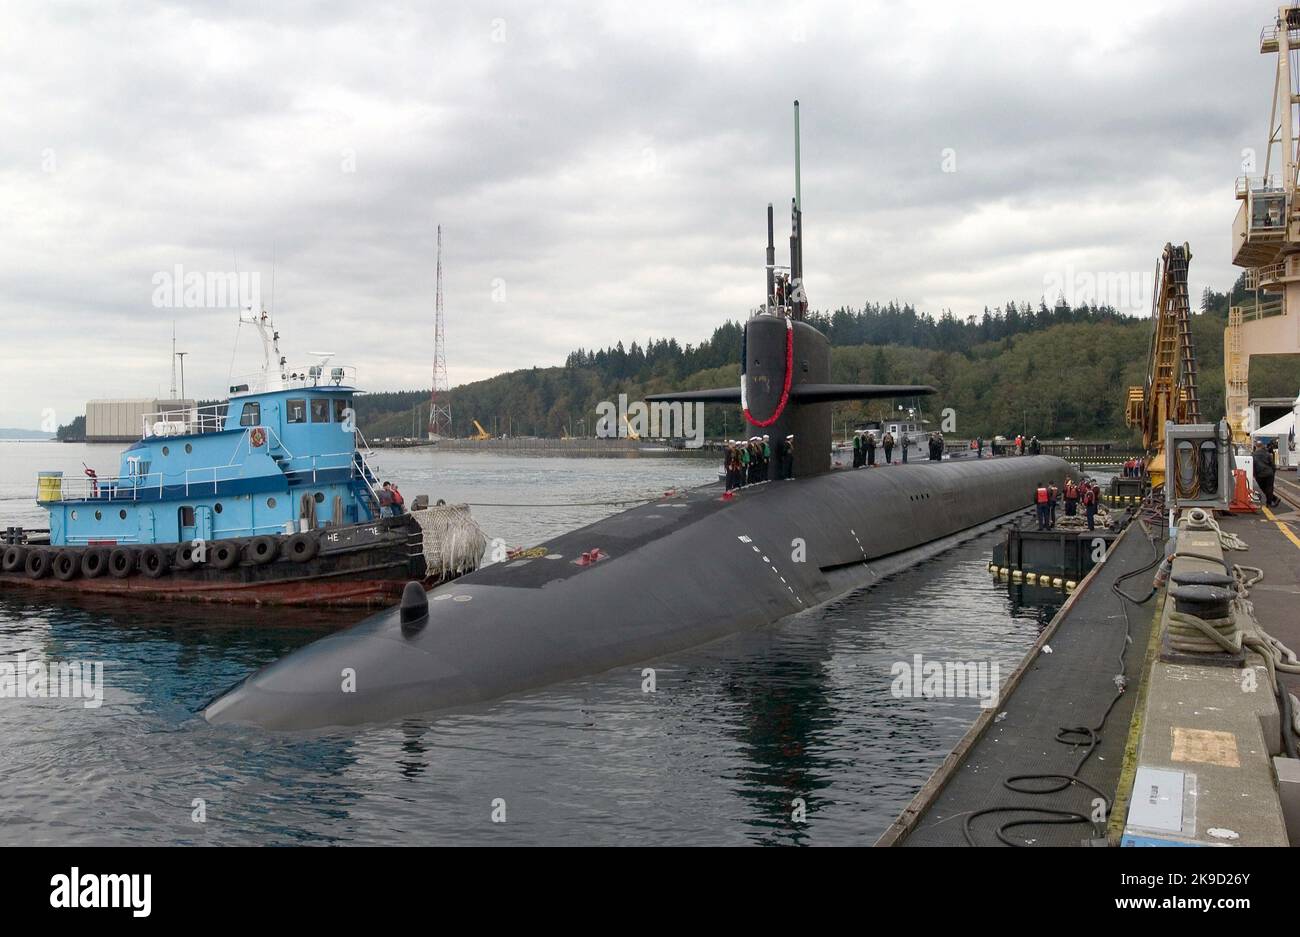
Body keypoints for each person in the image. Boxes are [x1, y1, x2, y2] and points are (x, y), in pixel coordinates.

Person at [1253, 440, 1280, 508]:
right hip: (1269, 473)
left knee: (1264, 488)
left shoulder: (1253, 454)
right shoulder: (1267, 454)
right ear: (1262, 446)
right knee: (1269, 488)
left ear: (1256, 446)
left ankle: (1273, 500)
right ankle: (1270, 502)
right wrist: (1272, 472)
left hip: (1260, 475)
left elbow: (1253, 466)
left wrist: (1255, 475)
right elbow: (1273, 465)